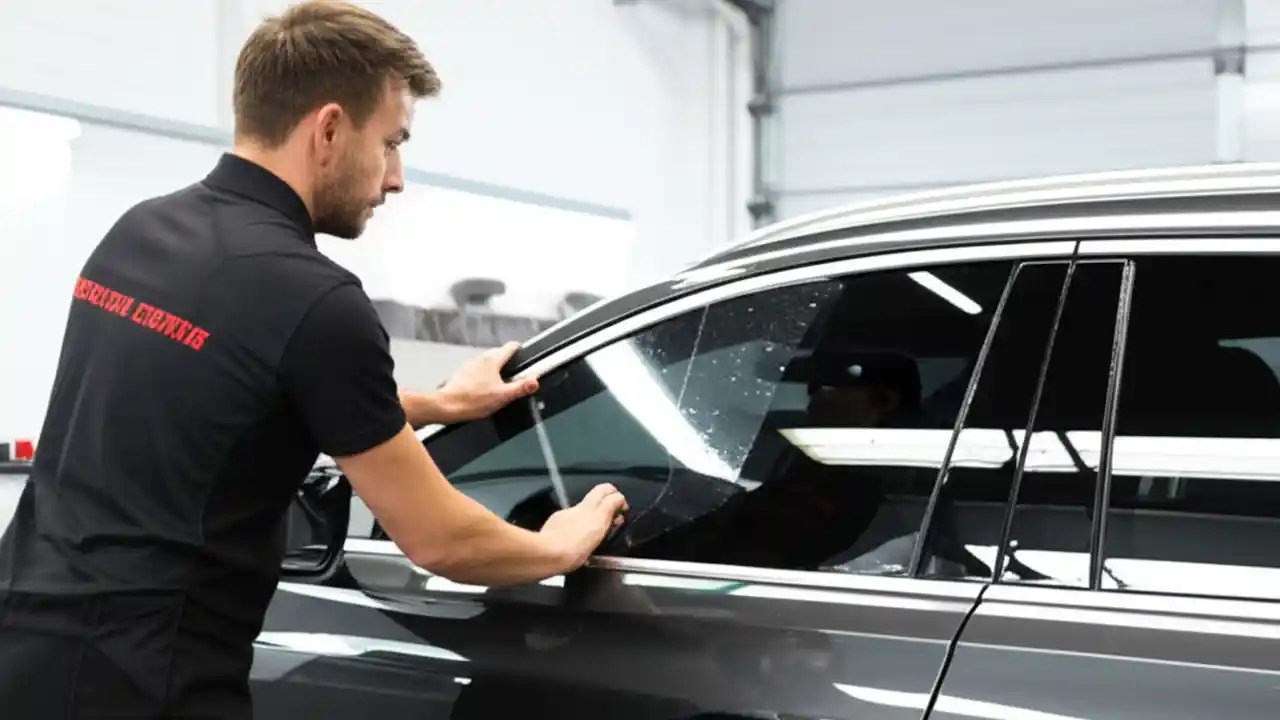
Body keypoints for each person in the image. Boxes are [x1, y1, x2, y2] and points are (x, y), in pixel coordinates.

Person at [0, 1, 627, 717]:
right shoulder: (316, 299)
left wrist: (442, 403)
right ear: (329, 129)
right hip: (150, 682)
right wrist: (558, 545)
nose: (396, 178)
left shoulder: (139, 232)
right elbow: (439, 538)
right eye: (391, 142)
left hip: (25, 647)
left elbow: (236, 386)